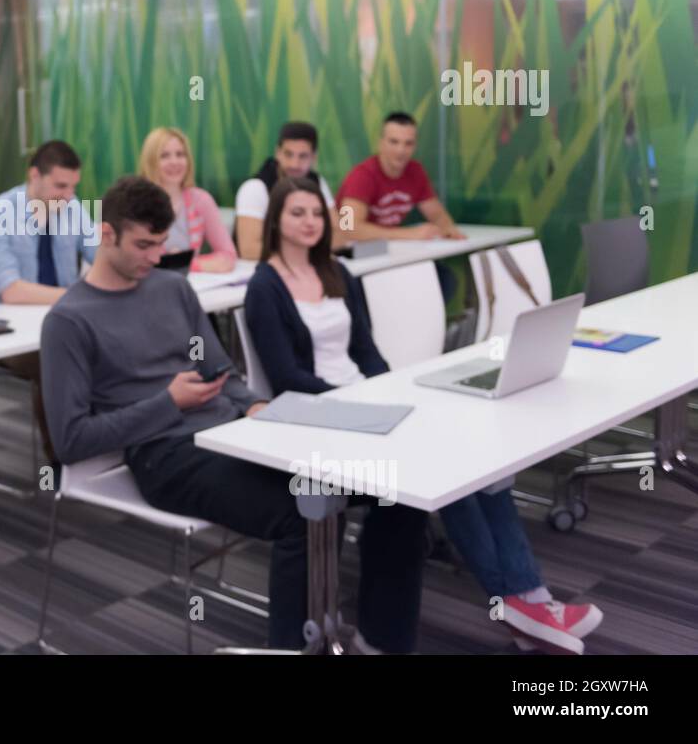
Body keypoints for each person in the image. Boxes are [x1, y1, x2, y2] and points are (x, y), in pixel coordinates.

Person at [40, 176, 428, 652]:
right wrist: (168, 403)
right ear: (106, 235)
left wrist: (254, 403)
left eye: (162, 244)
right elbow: (71, 440)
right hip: (164, 455)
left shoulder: (172, 289)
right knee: (303, 512)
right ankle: (294, 646)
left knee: (401, 490)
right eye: (144, 245)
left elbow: (221, 368)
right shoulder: (68, 321)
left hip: (234, 429)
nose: (156, 257)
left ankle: (380, 641)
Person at [244, 176, 604, 654]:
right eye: (297, 213)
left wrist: (390, 389)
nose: (309, 222)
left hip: (371, 404)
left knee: (476, 463)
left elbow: (367, 352)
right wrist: (362, 402)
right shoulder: (264, 287)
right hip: (324, 417)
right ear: (276, 221)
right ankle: (517, 603)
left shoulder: (338, 274)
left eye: (316, 213)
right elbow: (288, 377)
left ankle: (529, 598)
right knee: (442, 467)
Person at [0, 140, 97, 464]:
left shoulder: (71, 207)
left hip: (65, 316)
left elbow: (100, 258)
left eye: (73, 186)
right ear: (35, 175)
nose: (68, 195)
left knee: (108, 346)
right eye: (60, 185)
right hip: (11, 330)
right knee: (57, 360)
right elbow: (11, 291)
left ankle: (104, 441)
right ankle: (61, 459)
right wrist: (80, 295)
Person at [334, 111, 464, 242]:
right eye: (393, 142)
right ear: (381, 142)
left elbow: (437, 215)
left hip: (391, 251)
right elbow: (347, 227)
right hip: (353, 256)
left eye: (408, 143)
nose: (400, 150)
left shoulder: (416, 171)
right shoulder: (361, 176)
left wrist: (448, 228)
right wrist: (408, 234)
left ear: (415, 145)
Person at [235, 121, 340, 260]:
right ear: (278, 153)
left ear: (314, 158)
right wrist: (307, 252)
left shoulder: (318, 183)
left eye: (303, 156)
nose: (294, 164)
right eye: (288, 154)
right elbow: (249, 250)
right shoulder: (254, 188)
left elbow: (339, 232)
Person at [138, 127, 235, 272]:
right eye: (164, 156)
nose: (174, 162)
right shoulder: (136, 203)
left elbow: (228, 256)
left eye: (180, 154)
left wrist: (184, 264)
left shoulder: (201, 200)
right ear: (151, 161)